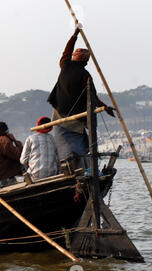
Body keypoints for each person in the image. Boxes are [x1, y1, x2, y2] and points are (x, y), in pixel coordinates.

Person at [47, 26, 114, 169]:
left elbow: (67, 50)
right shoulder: (84, 75)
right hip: (71, 117)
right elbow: (93, 97)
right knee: (78, 145)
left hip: (62, 114)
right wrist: (104, 107)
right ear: (85, 62)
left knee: (81, 143)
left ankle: (82, 167)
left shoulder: (65, 65)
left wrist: (75, 35)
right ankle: (82, 167)